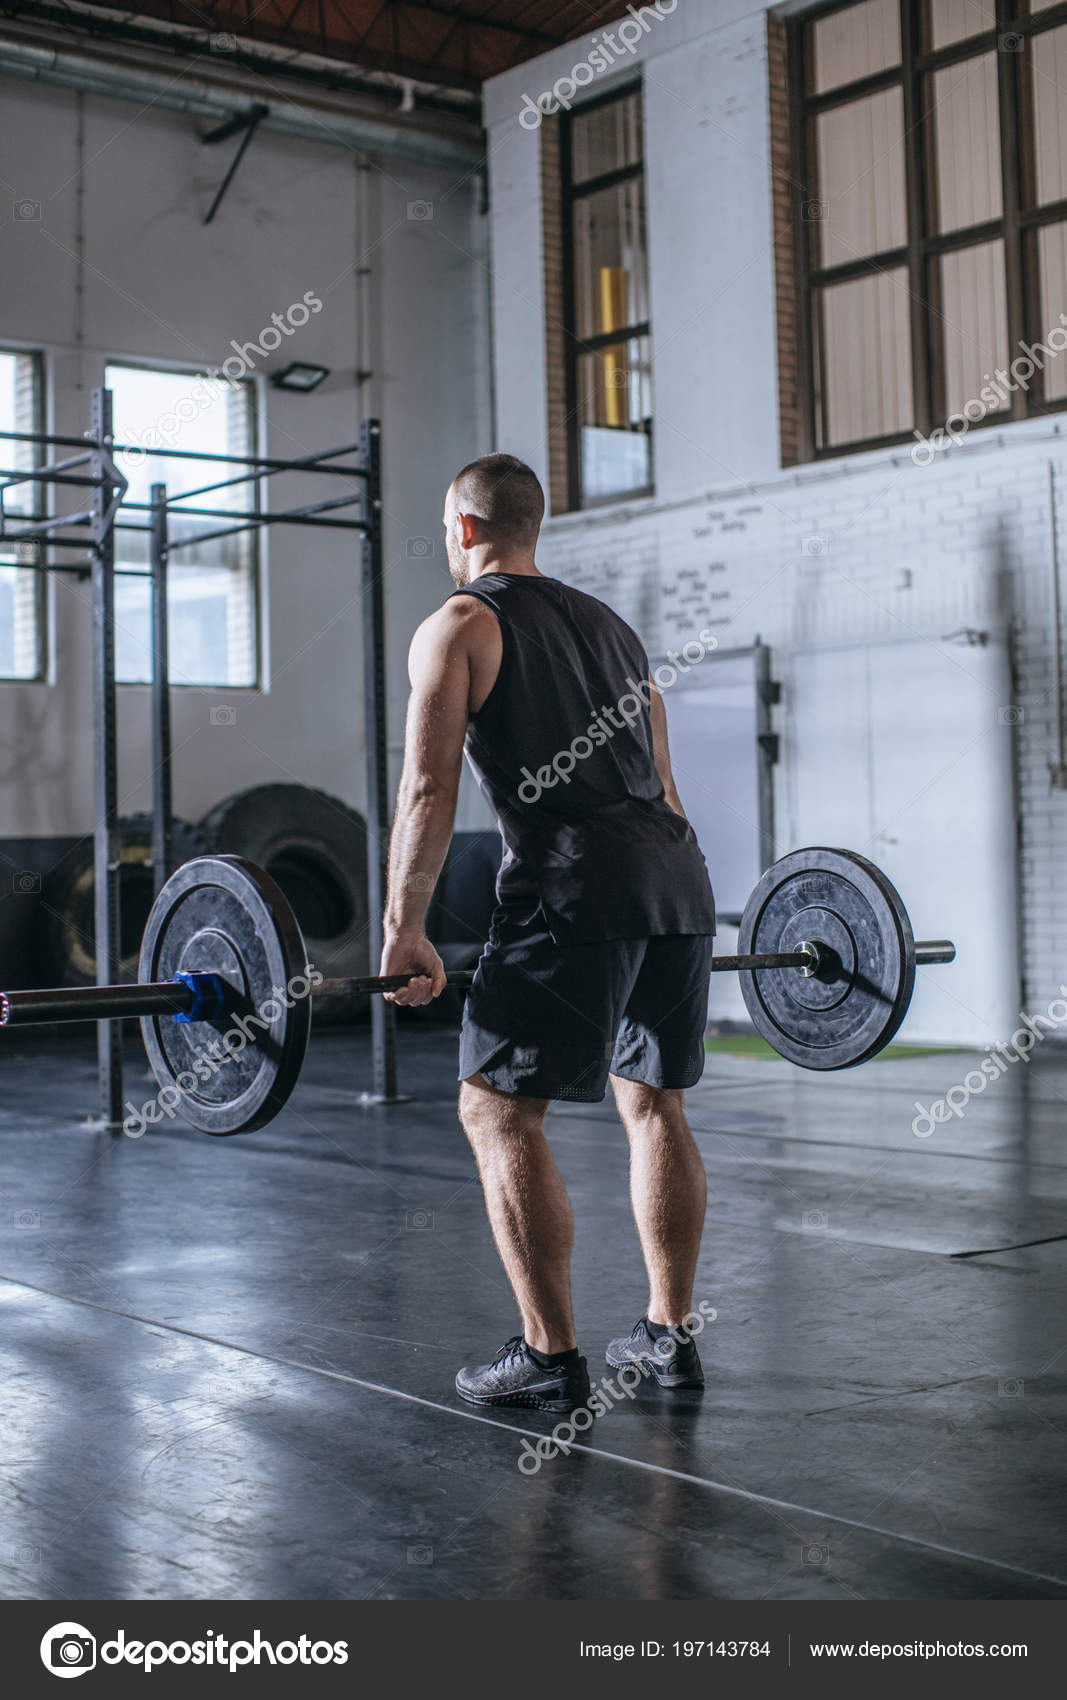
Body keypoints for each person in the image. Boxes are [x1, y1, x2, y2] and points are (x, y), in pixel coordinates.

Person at [379, 454, 716, 1413]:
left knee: (496, 1111)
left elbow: (427, 786)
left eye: (448, 528)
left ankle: (548, 1354)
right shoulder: (616, 633)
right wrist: (675, 903)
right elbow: (663, 785)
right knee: (654, 1100)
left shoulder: (460, 623)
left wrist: (404, 925)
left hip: (574, 886)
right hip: (675, 875)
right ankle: (666, 1336)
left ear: (466, 529)